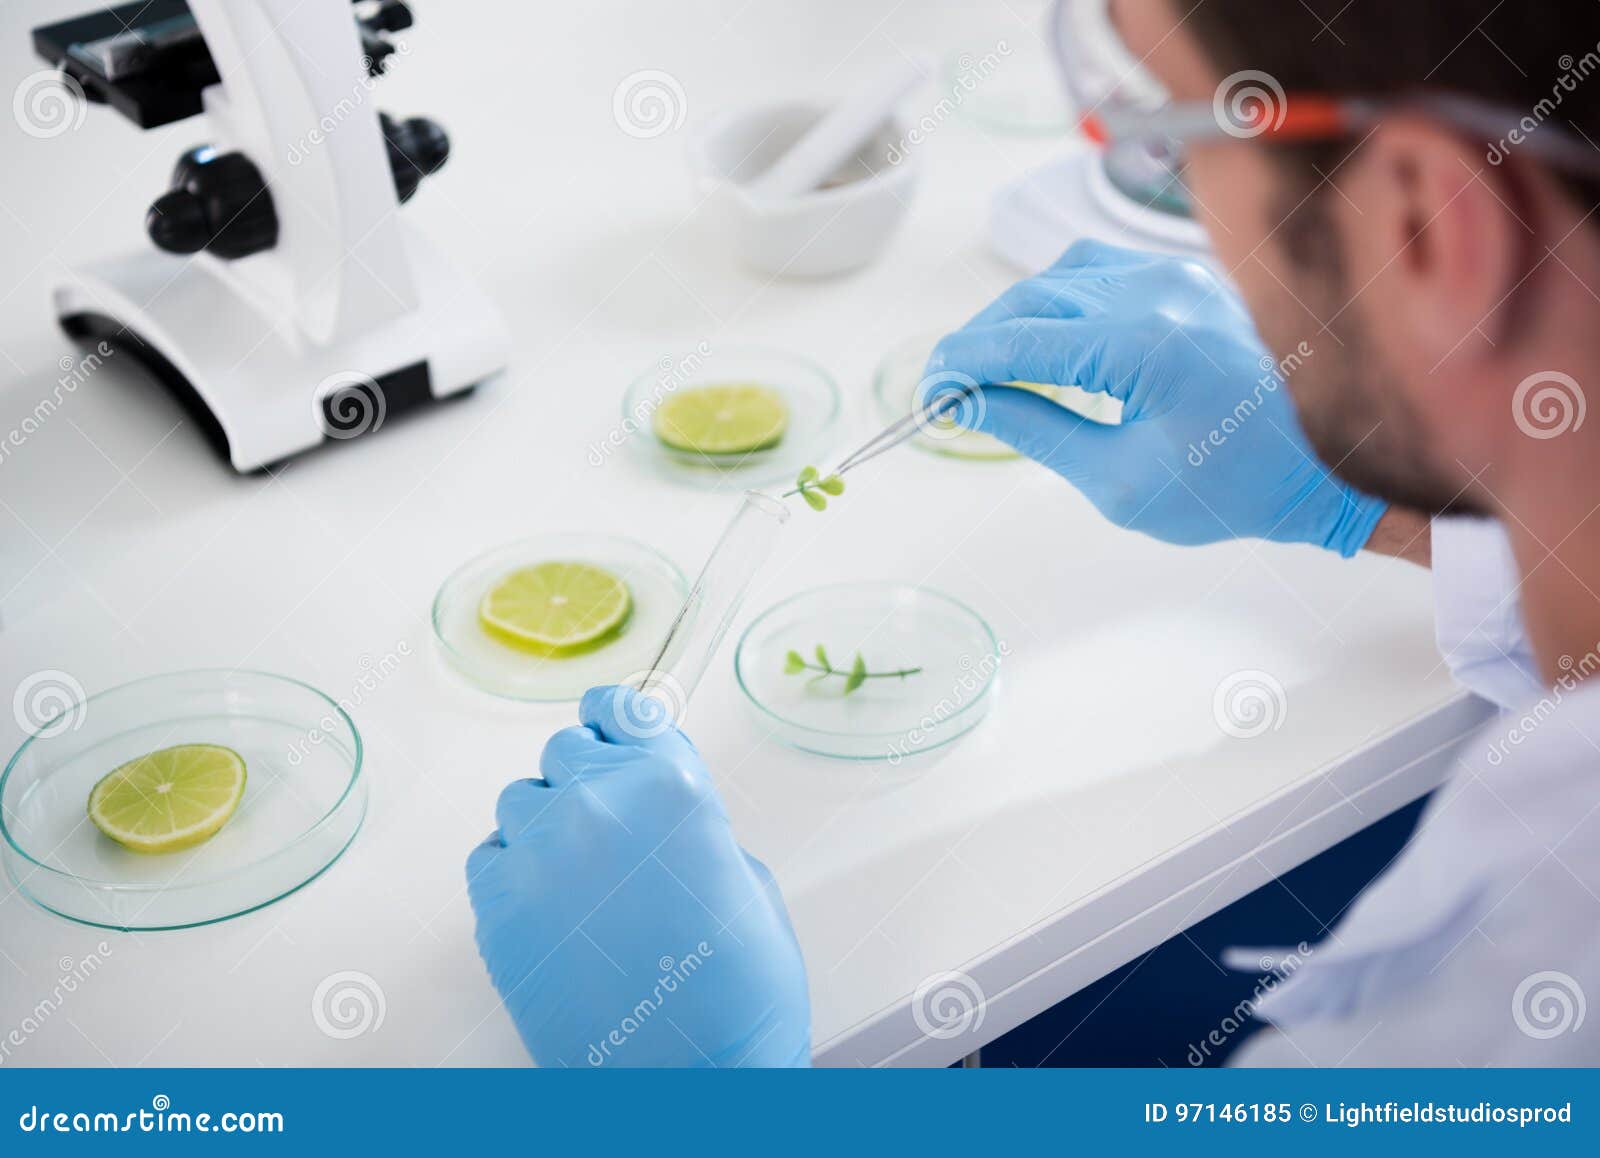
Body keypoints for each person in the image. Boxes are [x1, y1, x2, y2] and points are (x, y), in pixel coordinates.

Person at [467, 0, 1600, 1066]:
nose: (1187, 197)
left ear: (1426, 226)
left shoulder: (1520, 992)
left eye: (1170, 136)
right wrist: (1379, 512)